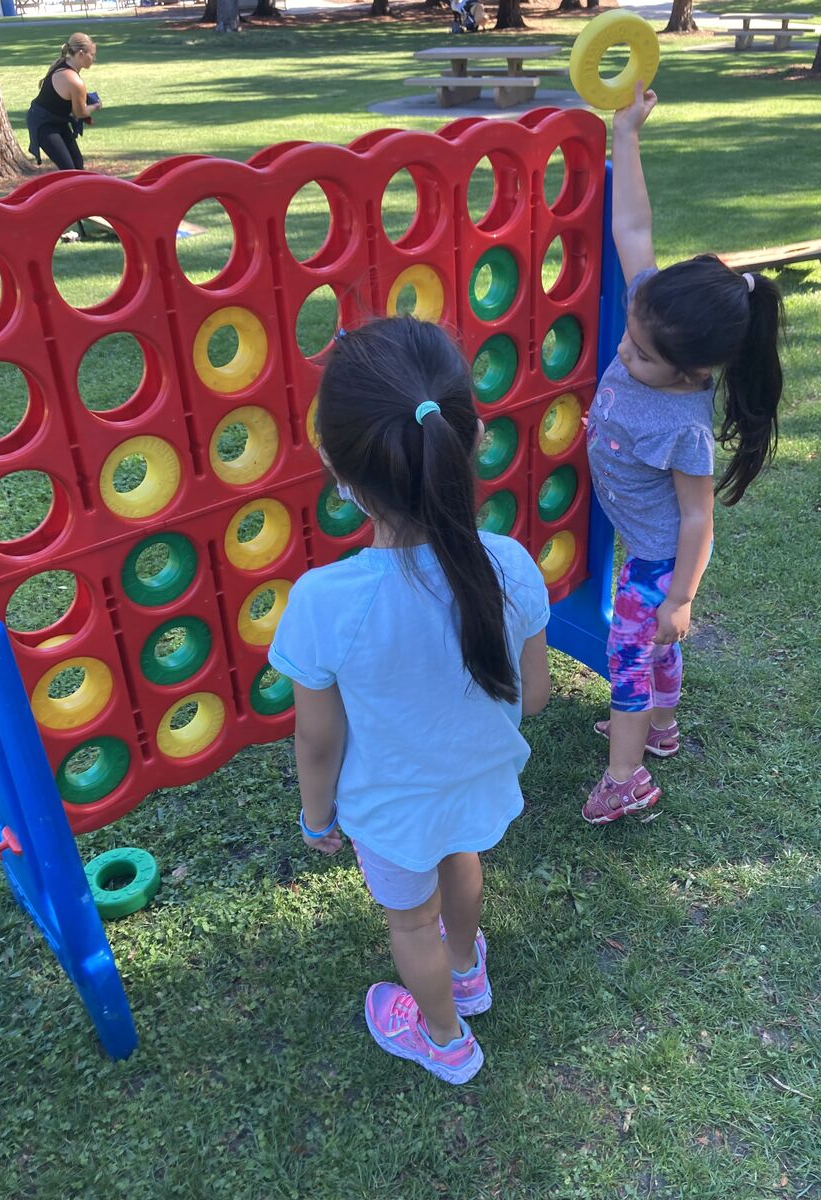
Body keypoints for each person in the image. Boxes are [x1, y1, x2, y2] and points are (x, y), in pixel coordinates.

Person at [268, 317, 551, 1084]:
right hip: (476, 787)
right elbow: (535, 697)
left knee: (409, 922)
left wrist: (316, 816)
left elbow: (316, 742)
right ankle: (467, 969)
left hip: (390, 812)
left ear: (334, 466)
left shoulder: (324, 601)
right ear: (471, 436)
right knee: (461, 859)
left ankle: (445, 1038)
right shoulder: (513, 564)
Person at [583, 82, 784, 826]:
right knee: (654, 649)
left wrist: (679, 597)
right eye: (630, 338)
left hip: (657, 560)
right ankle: (661, 731)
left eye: (637, 355)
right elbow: (632, 228)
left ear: (690, 376)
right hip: (646, 551)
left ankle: (626, 775)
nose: (625, 351)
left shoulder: (683, 426)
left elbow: (697, 519)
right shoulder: (656, 313)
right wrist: (626, 133)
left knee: (630, 658)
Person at [27, 34, 101, 172]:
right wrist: (96, 106)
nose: (94, 59)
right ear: (80, 54)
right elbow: (79, 113)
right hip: (43, 124)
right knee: (69, 170)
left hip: (59, 121)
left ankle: (80, 192)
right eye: (92, 54)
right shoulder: (74, 80)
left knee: (77, 165)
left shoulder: (65, 62)